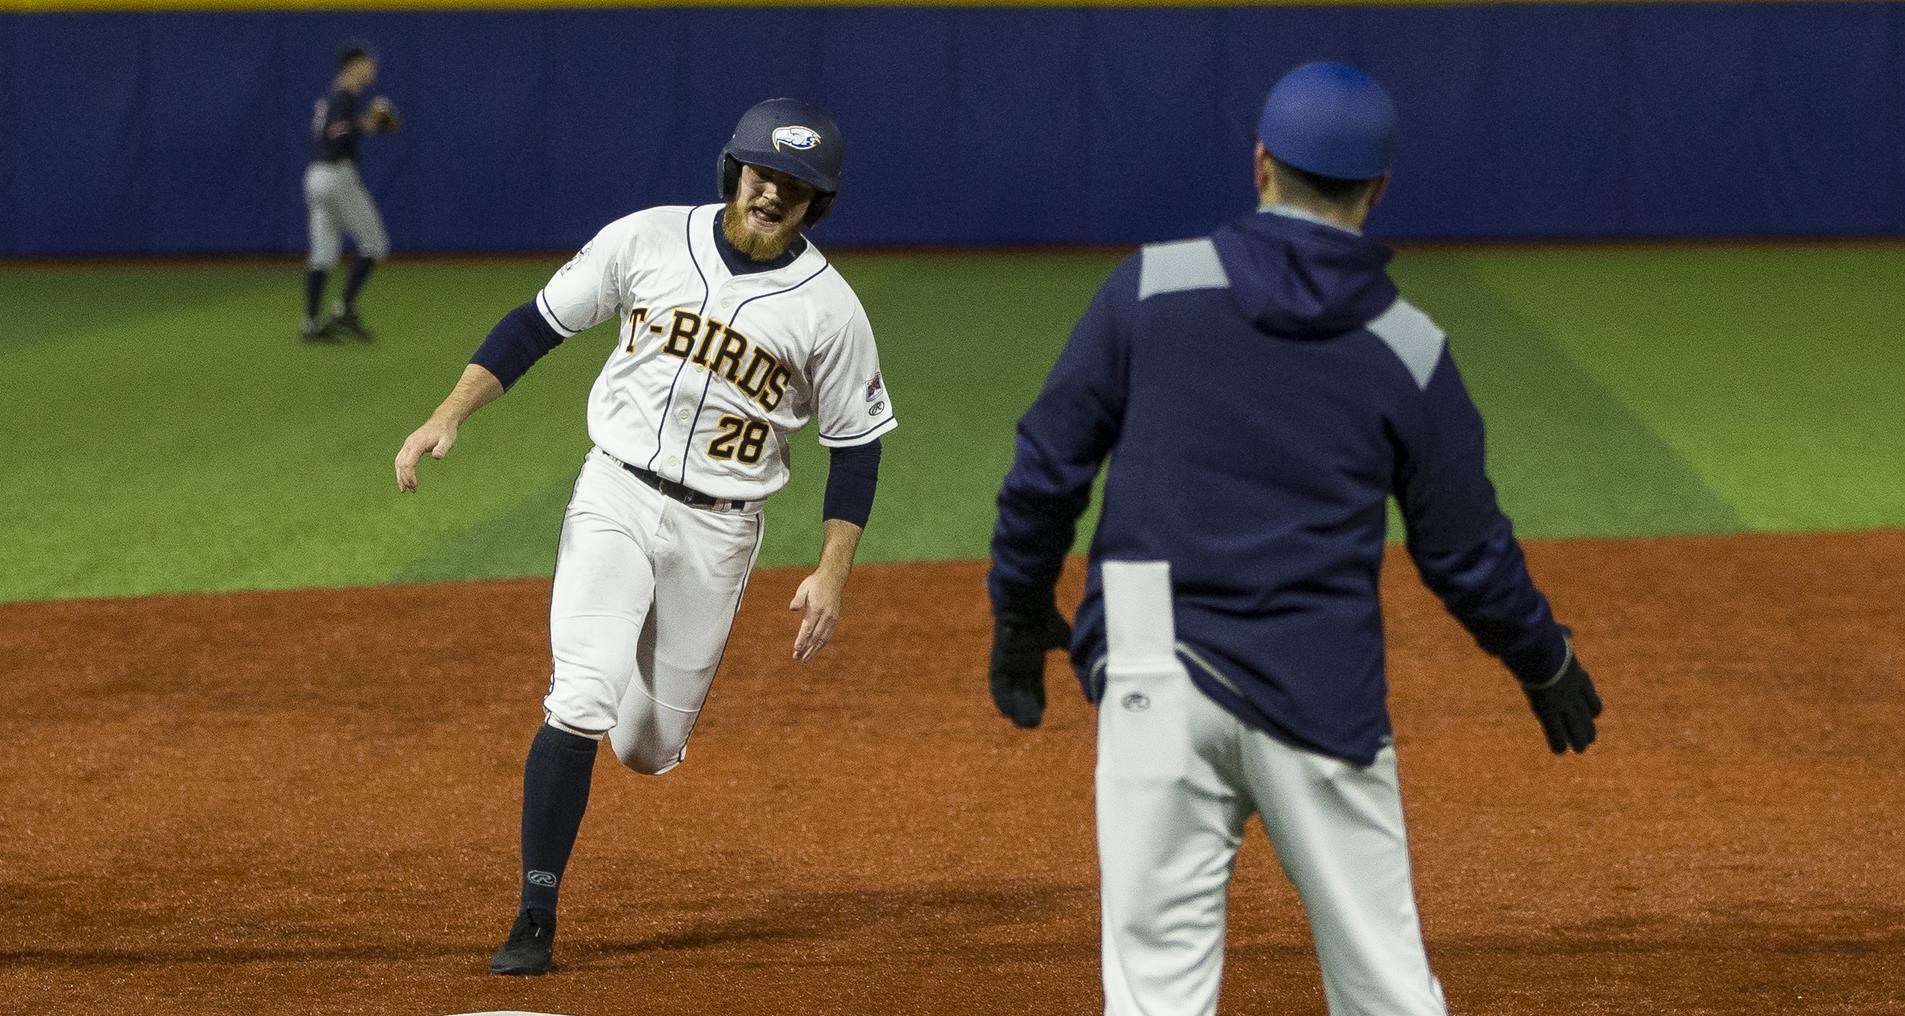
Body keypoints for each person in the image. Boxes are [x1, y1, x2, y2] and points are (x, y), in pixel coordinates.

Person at [985, 62, 1603, 1016]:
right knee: (1387, 990)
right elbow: (1465, 554)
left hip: (1151, 656)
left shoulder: (1149, 286)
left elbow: (1044, 474)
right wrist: (1544, 658)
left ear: (1261, 162)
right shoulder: (1408, 347)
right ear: (1380, 190)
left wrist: (1023, 614)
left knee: (1153, 995)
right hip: (1318, 676)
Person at [393, 98, 895, 976]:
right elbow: (537, 324)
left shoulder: (832, 311)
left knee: (648, 748)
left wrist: (831, 570)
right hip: (616, 495)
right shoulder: (649, 239)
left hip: (721, 529)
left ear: (819, 204)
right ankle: (534, 917)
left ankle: (615, 682)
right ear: (735, 171)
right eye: (761, 173)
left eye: (795, 187)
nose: (771, 194)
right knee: (580, 697)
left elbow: (856, 446)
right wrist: (448, 414)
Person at [302, 42, 399, 342]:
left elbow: (336, 130)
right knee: (375, 243)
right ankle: (343, 309)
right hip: (336, 174)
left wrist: (364, 125)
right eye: (368, 63)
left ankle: (312, 323)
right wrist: (367, 125)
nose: (372, 69)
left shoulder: (331, 97)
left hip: (315, 175)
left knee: (322, 253)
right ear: (353, 65)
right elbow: (340, 135)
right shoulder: (345, 96)